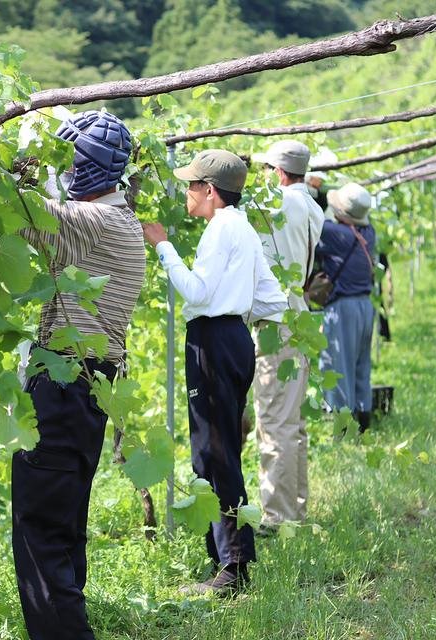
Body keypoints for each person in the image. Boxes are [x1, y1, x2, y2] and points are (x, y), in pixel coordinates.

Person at [13, 110, 145, 639]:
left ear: (88, 168)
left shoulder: (93, 223)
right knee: (64, 529)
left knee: (40, 533)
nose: (63, 170)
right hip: (89, 389)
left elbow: (14, 211)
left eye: (70, 160)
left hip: (65, 389)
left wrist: (0, 165)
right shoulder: (123, 220)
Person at [143, 150, 286, 595]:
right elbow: (272, 300)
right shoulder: (241, 227)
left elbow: (197, 292)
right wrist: (236, 312)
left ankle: (233, 568)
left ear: (210, 191)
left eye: (191, 185)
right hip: (234, 340)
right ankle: (225, 559)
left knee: (213, 452)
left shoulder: (219, 229)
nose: (187, 192)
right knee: (219, 447)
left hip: (211, 340)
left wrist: (162, 244)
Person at [250, 141, 324, 532]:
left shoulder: (277, 203)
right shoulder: (312, 206)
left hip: (276, 320)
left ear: (278, 173)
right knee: (291, 420)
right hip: (299, 316)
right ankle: (294, 509)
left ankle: (277, 518)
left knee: (274, 419)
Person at [317, 183, 378, 431]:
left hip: (343, 308)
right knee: (361, 365)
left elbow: (312, 225)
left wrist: (316, 193)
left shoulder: (335, 233)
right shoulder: (369, 231)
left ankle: (342, 430)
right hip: (365, 306)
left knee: (337, 366)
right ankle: (364, 423)